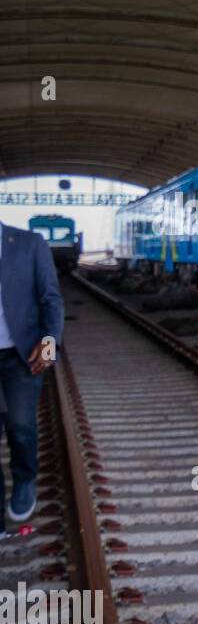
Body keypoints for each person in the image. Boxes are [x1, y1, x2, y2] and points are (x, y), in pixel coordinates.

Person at [0, 221, 64, 527]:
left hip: (20, 353)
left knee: (20, 424)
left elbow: (51, 298)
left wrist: (50, 342)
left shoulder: (29, 243)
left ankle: (25, 478)